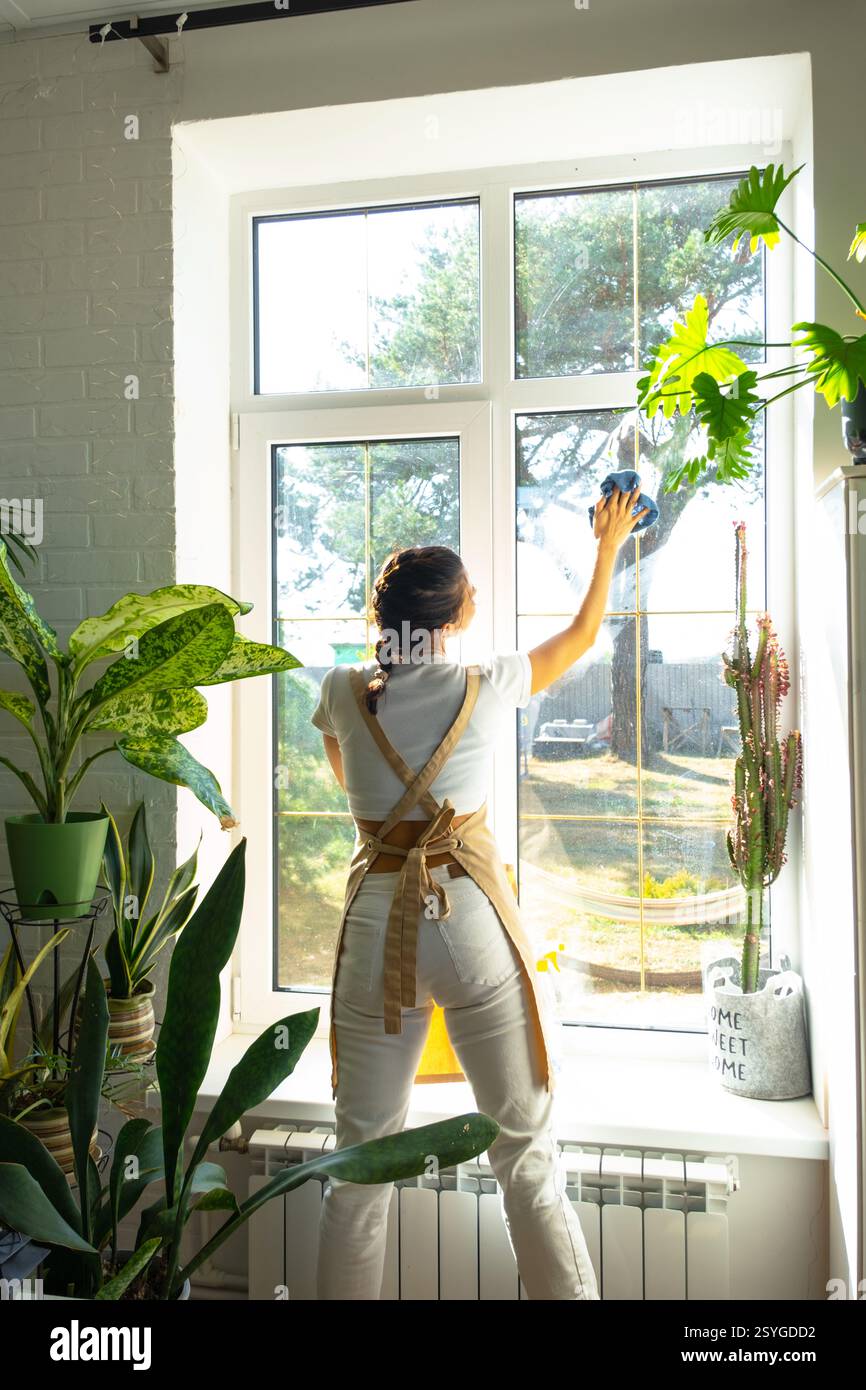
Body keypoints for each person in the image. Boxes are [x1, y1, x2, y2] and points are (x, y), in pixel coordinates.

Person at [311, 483, 649, 1300]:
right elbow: (582, 635)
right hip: (466, 924)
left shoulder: (342, 692)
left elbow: (353, 793)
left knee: (359, 1162)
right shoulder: (489, 685)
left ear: (385, 619)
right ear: (456, 621)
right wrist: (607, 547)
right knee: (525, 1153)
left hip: (374, 933)